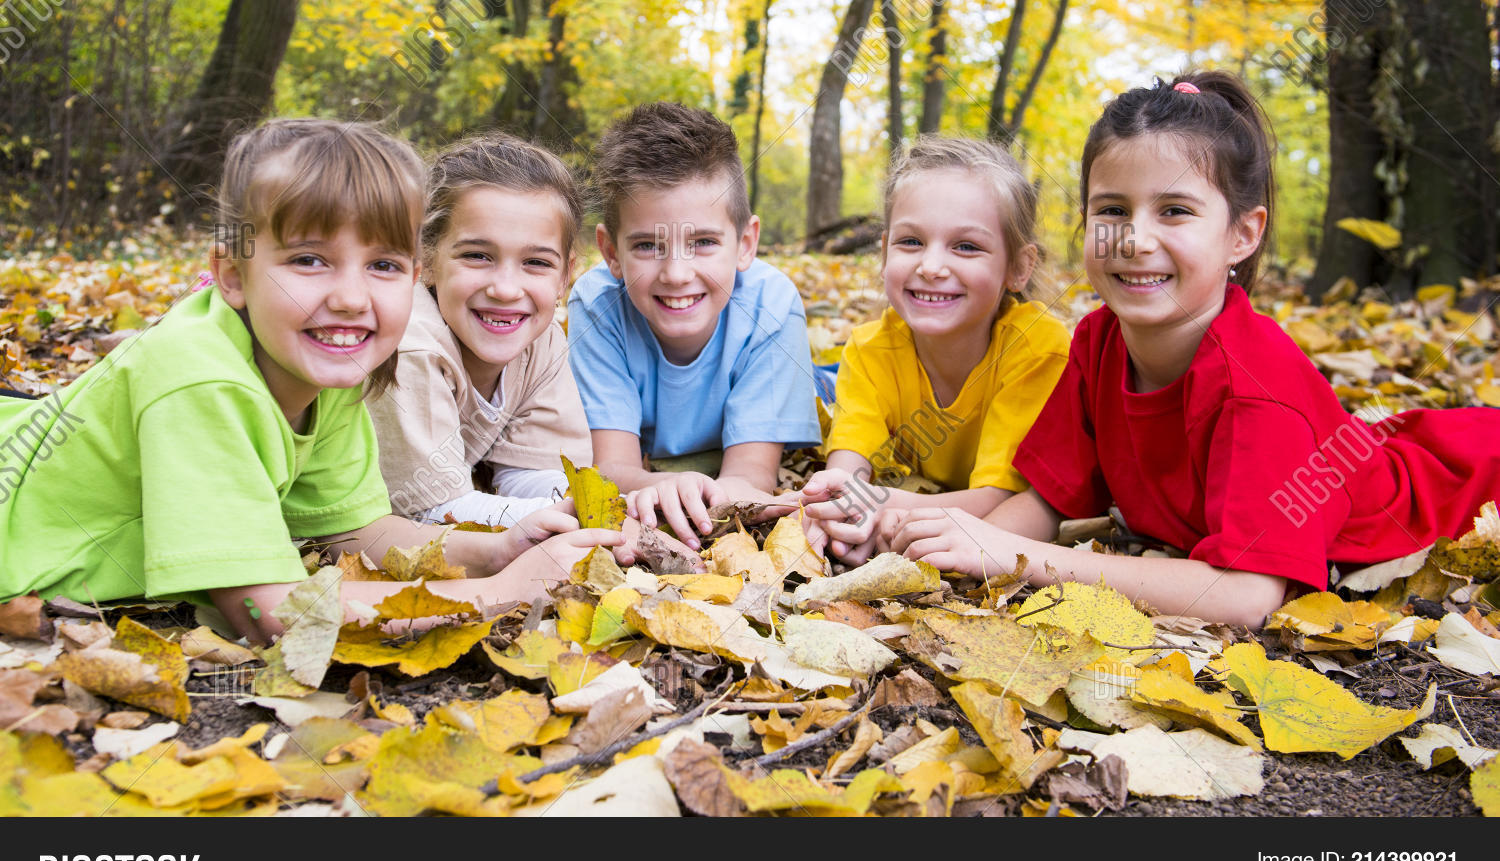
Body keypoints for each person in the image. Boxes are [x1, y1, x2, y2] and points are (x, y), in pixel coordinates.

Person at [887, 72, 1500, 627]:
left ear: (1242, 234)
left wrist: (1016, 560)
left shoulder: (1256, 384)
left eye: (1175, 210)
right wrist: (929, 540)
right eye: (1112, 210)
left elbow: (1247, 596)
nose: (1134, 239)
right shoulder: (1098, 340)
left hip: (1470, 488)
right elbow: (1047, 501)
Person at [0, 120, 621, 644]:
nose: (351, 298)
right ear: (233, 274)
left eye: (382, 265)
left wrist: (497, 548)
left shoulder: (338, 374)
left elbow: (356, 528)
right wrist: (494, 594)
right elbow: (264, 610)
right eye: (309, 260)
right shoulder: (201, 379)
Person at [784, 136, 1070, 564]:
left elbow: (999, 496)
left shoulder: (1038, 350)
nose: (931, 267)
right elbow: (852, 459)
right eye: (911, 242)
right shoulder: (867, 347)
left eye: (966, 246)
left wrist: (887, 507)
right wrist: (843, 506)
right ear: (884, 252)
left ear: (1018, 267)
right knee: (808, 382)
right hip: (839, 376)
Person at [566, 102, 821, 550]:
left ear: (745, 244)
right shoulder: (596, 306)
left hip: (804, 381)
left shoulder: (771, 305)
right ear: (610, 253)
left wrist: (674, 492)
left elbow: (749, 477)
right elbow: (611, 469)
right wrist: (663, 486)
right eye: (647, 245)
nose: (677, 274)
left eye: (703, 242)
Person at [367, 134, 593, 528]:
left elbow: (525, 472)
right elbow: (428, 509)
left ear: (564, 276)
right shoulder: (410, 343)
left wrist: (600, 507)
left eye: (536, 262)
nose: (506, 289)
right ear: (427, 260)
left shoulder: (543, 341)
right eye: (477, 256)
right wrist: (576, 520)